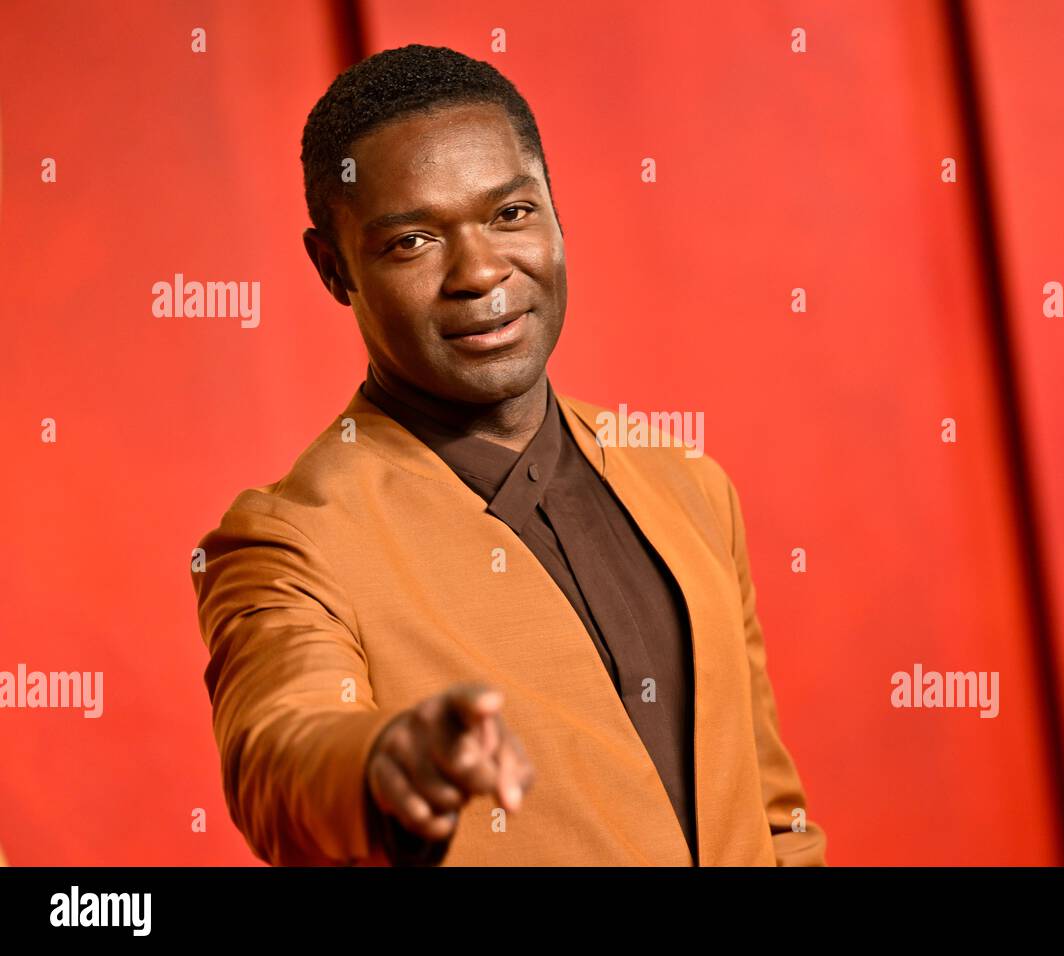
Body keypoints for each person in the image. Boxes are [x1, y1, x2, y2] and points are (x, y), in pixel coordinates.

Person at [192, 44, 826, 866]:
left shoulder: (687, 482)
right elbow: (281, 749)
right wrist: (382, 765)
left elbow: (774, 817)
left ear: (556, 211)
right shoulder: (285, 543)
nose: (482, 271)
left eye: (511, 214)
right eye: (413, 242)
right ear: (333, 268)